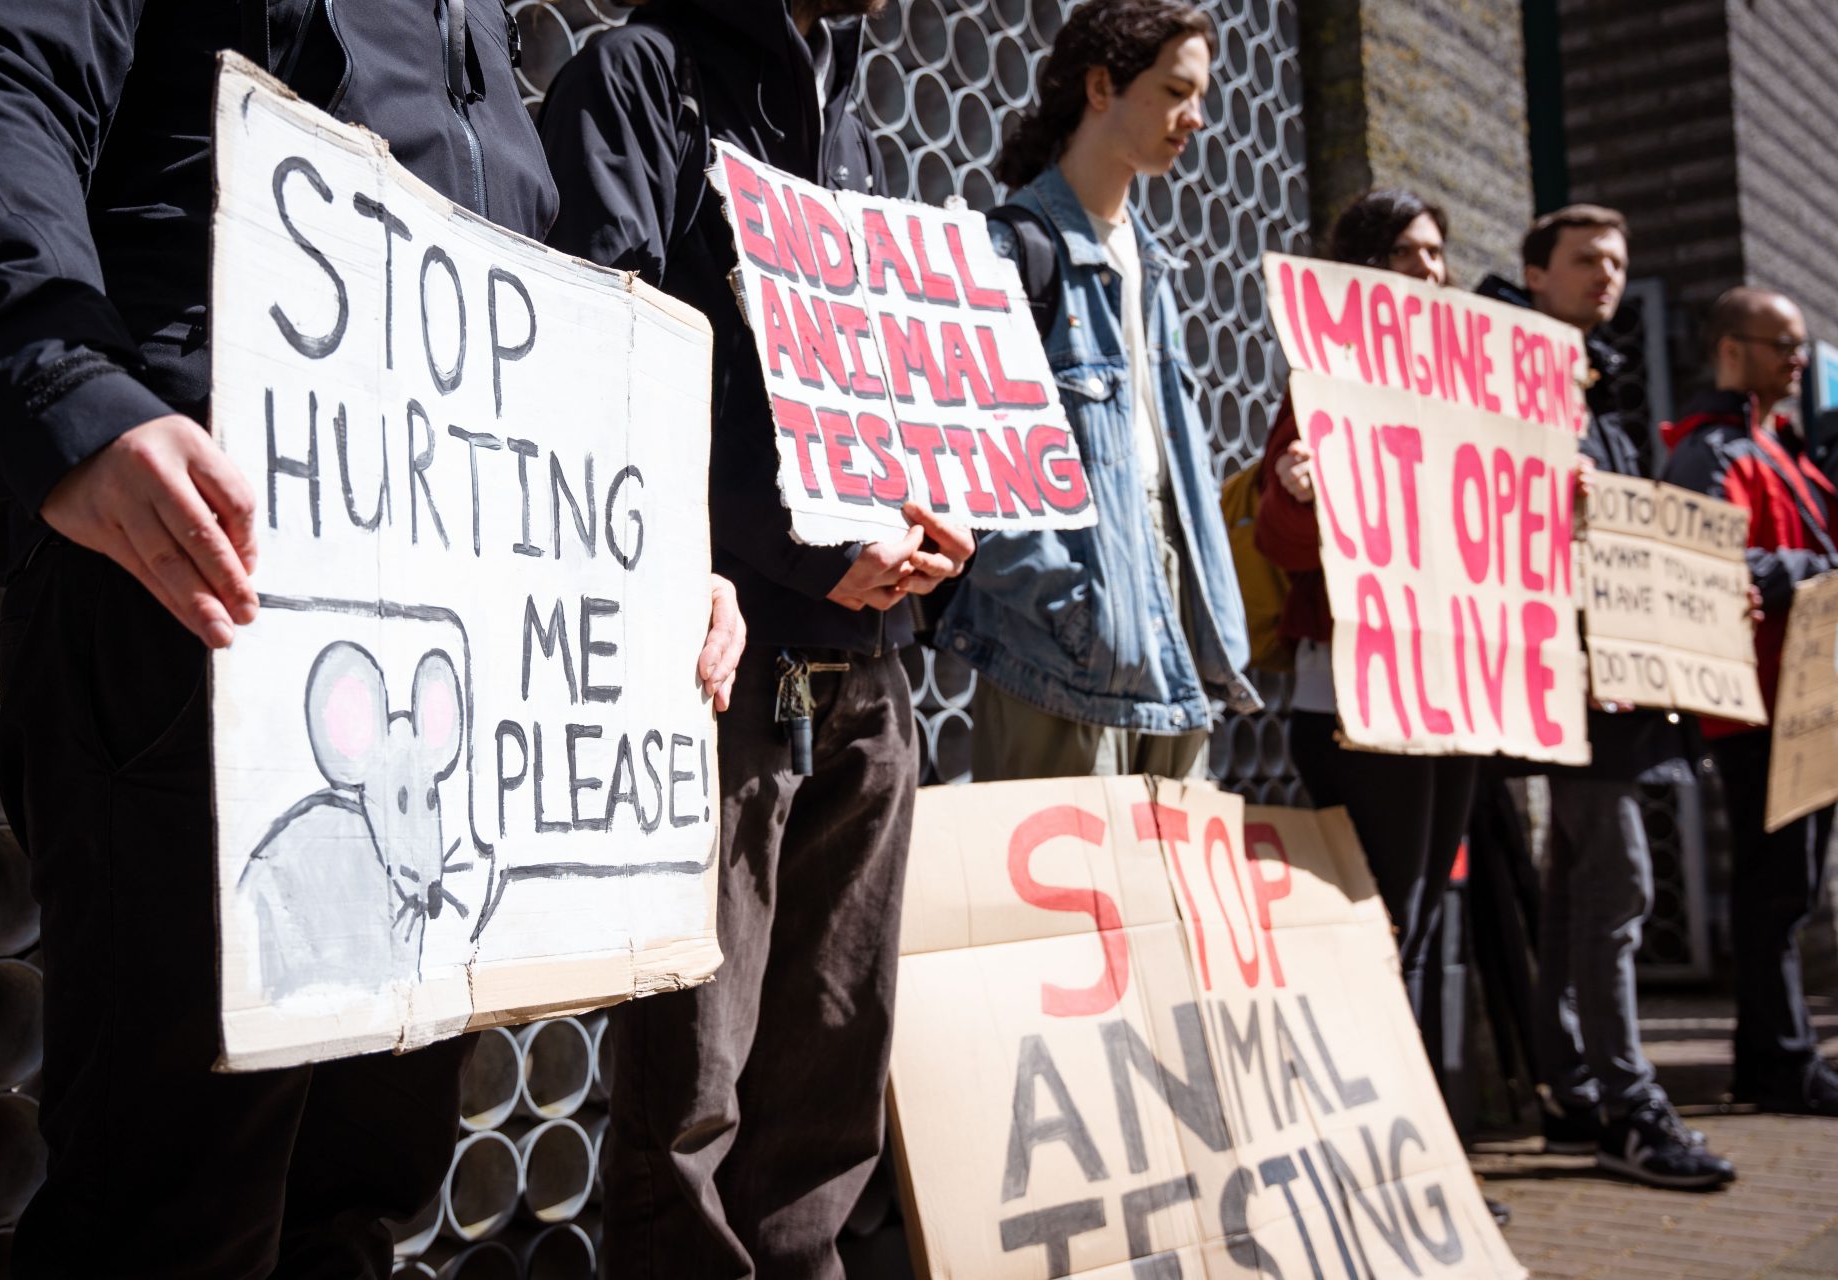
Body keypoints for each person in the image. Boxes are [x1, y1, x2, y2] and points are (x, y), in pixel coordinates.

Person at [0, 5, 744, 1273]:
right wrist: (71, 388)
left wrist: (651, 566)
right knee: (170, 1216)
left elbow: (537, 332)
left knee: (362, 1191)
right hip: (199, 607)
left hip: (436, 656)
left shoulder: (479, 39)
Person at [538, 2, 974, 1275]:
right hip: (716, 675)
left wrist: (945, 520)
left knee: (830, 1095)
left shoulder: (851, 125)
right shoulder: (641, 78)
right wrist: (798, 547)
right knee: (690, 1097)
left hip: (870, 678)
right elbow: (598, 362)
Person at [936, 0, 1260, 782]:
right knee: (1059, 865)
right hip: (1061, 639)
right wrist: (1071, 608)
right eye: (1176, 92)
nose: (1196, 119)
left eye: (1201, 97)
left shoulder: (1154, 266)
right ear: (1101, 86)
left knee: (1163, 864)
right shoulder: (1010, 250)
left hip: (1172, 630)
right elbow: (966, 466)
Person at [1481, 207, 1736, 1188]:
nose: (1608, 276)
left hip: (1608, 676)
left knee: (1577, 885)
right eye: (1587, 259)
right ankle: (1629, 1106)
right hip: (1562, 672)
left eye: (1619, 262)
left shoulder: (1601, 381)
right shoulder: (1496, 367)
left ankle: (1574, 1093)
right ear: (1535, 272)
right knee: (1618, 882)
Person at [1254, 188, 1477, 1073]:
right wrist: (1296, 491)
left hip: (1456, 692)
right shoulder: (1324, 380)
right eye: (1410, 252)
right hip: (1357, 694)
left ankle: (1406, 1121)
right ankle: (1376, 1112)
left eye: (1438, 252)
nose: (1432, 269)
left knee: (1414, 923)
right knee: (1384, 918)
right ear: (1364, 267)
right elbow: (1280, 542)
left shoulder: (1466, 393)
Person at [1664, 285, 1838, 1117]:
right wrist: (1819, 572)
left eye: (1800, 346)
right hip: (1761, 709)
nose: (1798, 360)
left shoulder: (1782, 448)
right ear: (1732, 349)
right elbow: (1707, 564)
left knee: (1793, 887)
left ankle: (1777, 1057)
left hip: (1807, 701)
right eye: (1784, 345)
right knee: (1776, 890)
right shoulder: (1712, 453)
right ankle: (1778, 1064)